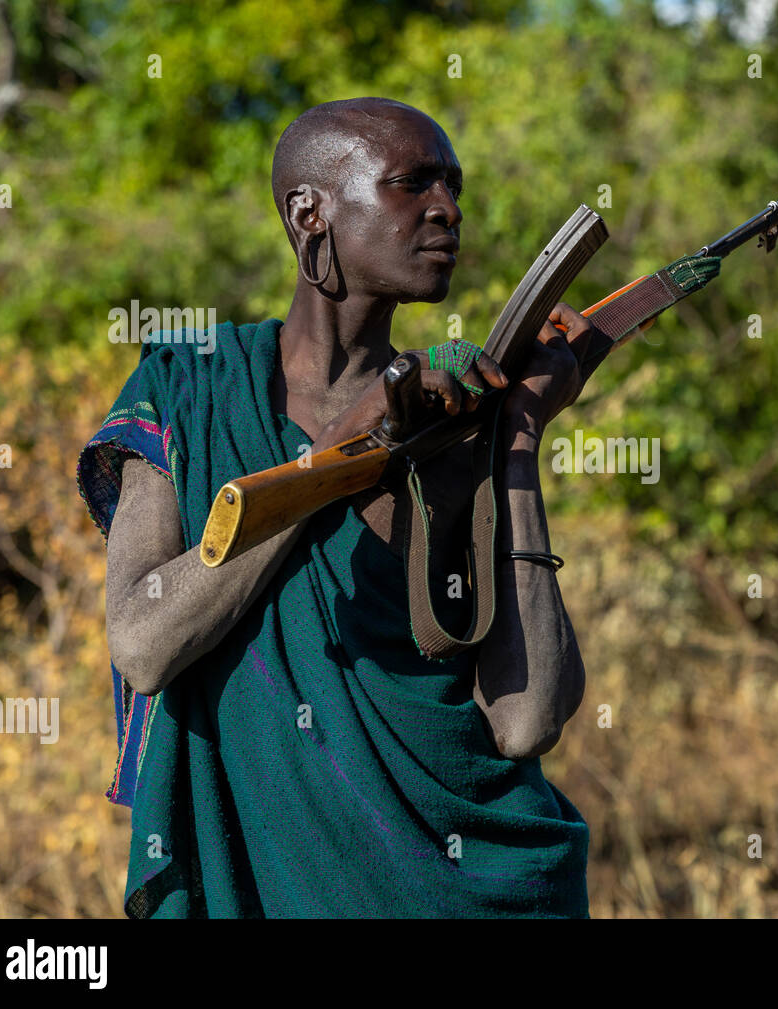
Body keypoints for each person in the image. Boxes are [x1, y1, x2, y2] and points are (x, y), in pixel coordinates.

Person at [76, 97, 604, 917]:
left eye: (454, 186)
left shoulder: (456, 415)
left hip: (463, 882)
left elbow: (527, 719)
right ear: (308, 211)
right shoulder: (190, 390)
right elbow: (144, 643)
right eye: (413, 183)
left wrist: (520, 437)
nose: (448, 210)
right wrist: (333, 458)